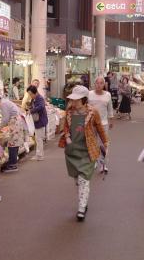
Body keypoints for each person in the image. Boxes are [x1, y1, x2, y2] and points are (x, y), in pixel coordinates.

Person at [58, 85, 109, 222]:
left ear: (84, 99)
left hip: (88, 151)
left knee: (83, 180)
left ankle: (81, 208)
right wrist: (67, 137)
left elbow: (99, 128)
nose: (74, 102)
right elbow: (66, 127)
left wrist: (106, 143)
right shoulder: (69, 111)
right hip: (72, 150)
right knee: (77, 180)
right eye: (73, 99)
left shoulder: (93, 112)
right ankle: (83, 202)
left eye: (77, 100)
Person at [0, 93, 26, 173]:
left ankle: (12, 165)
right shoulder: (5, 101)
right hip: (16, 122)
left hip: (15, 123)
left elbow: (5, 119)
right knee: (14, 143)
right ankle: (13, 163)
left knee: (12, 144)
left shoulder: (2, 104)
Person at [27, 85, 48, 161]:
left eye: (30, 94)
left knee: (39, 139)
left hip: (40, 121)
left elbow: (41, 107)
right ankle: (38, 154)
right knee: (38, 138)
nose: (30, 95)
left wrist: (31, 110)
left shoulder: (39, 98)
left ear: (35, 92)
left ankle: (39, 155)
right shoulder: (35, 98)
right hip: (37, 121)